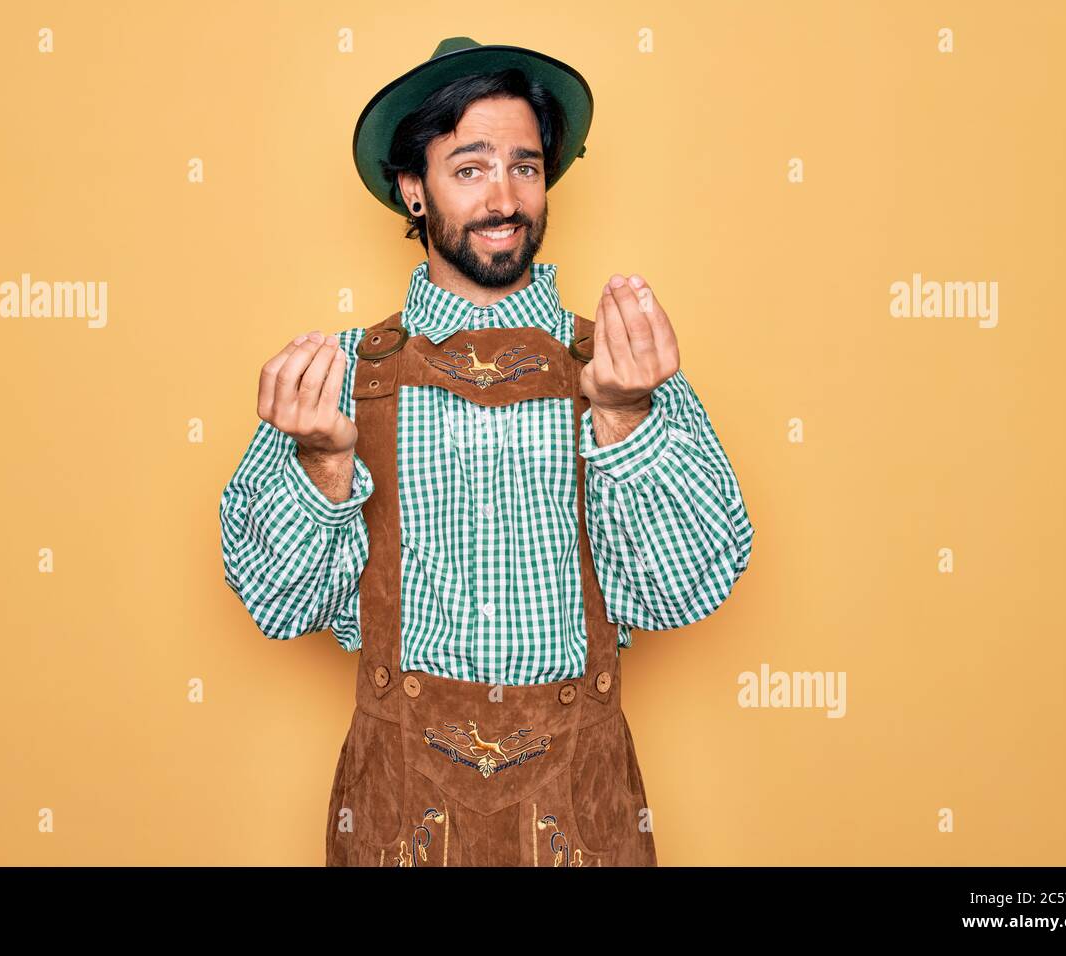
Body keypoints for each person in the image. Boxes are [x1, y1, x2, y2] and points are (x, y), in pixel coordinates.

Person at [219, 37, 754, 866]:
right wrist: (325, 468)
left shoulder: (618, 365)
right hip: (397, 820)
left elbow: (687, 592)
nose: (504, 197)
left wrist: (623, 417)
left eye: (526, 167)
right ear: (414, 189)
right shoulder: (338, 379)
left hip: (585, 817)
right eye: (469, 168)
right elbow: (278, 607)